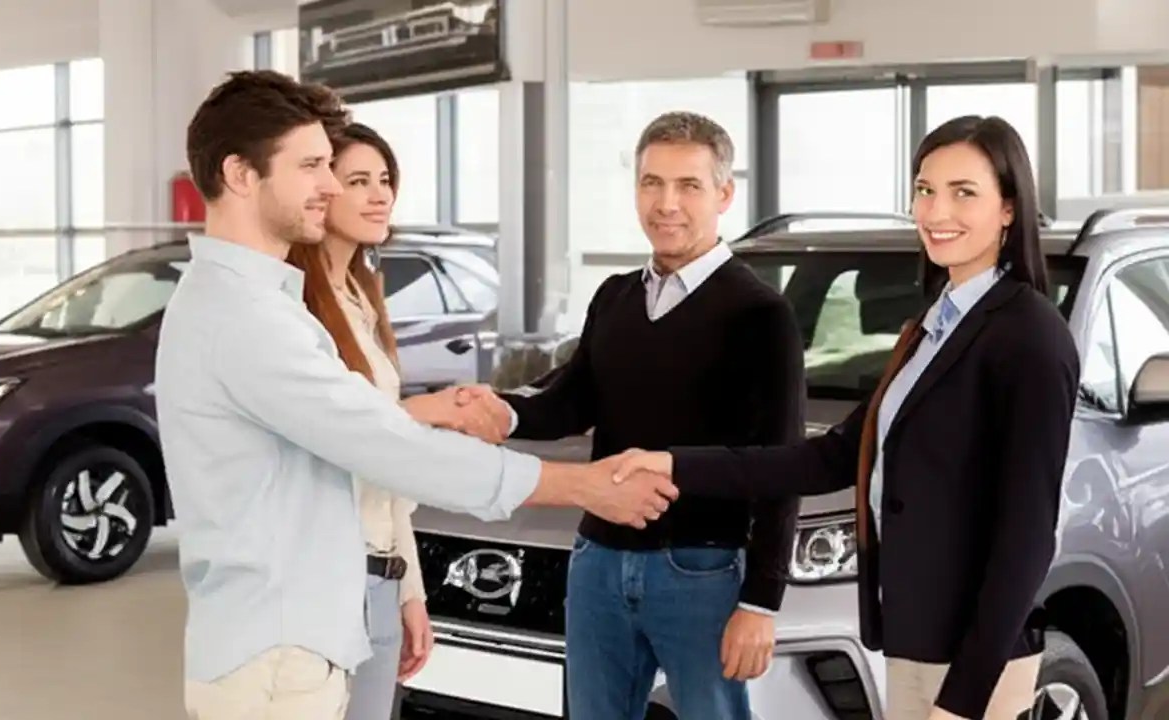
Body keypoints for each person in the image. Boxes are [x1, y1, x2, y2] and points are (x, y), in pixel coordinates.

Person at [155, 70, 680, 720]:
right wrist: (584, 486)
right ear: (240, 174)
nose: (329, 183)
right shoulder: (245, 318)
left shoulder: (253, 305)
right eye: (313, 165)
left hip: (294, 636)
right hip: (276, 653)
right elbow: (390, 449)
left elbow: (359, 439)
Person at [613, 115, 1081, 720]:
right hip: (916, 641)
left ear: (1009, 208)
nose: (937, 211)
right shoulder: (936, 325)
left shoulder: (1030, 336)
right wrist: (674, 463)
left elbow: (1026, 541)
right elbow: (828, 456)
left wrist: (962, 702)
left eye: (964, 193)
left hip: (971, 665)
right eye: (925, 189)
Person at [463, 111, 805, 720]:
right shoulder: (616, 295)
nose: (666, 203)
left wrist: (761, 602)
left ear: (724, 194)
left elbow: (782, 465)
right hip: (597, 561)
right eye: (651, 183)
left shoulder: (759, 313)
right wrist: (502, 413)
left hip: (700, 570)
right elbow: (572, 400)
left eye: (688, 185)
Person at [284, 122, 434, 720]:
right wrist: (432, 413)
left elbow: (389, 469)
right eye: (358, 181)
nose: (380, 196)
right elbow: (343, 437)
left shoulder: (363, 297)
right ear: (322, 190)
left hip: (380, 579)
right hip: (324, 583)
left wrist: (410, 592)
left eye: (385, 180)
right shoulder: (293, 307)